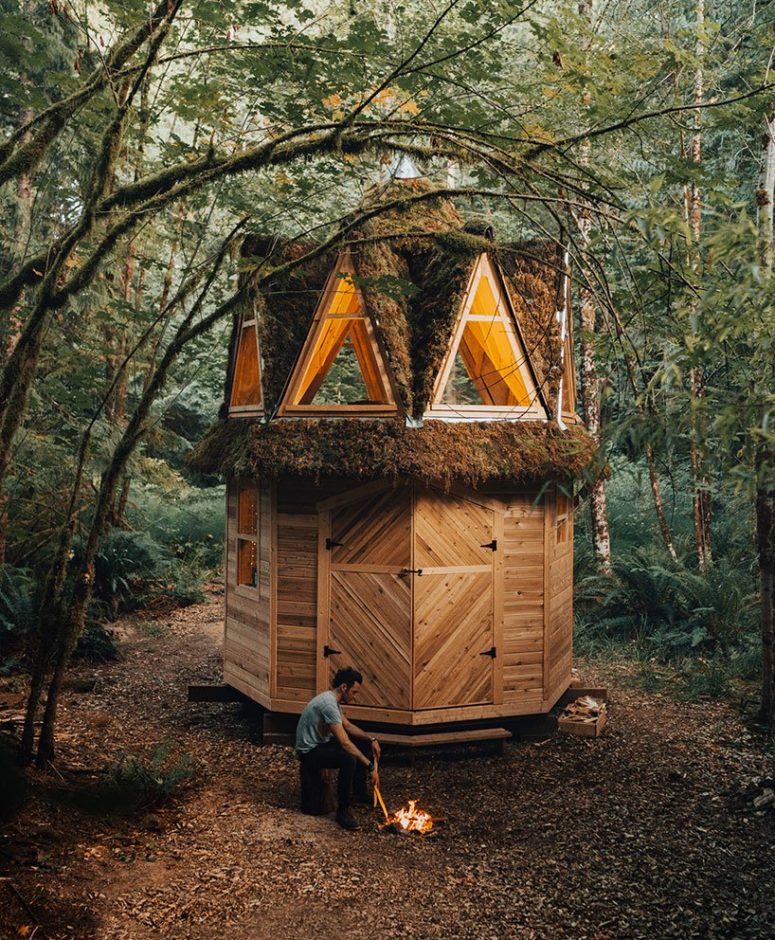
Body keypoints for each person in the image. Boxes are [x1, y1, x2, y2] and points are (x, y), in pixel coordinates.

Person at [295, 667, 381, 830]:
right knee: (348, 759)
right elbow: (344, 742)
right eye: (354, 692)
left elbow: (347, 726)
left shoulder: (332, 699)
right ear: (344, 687)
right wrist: (369, 766)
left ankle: (359, 792)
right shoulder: (328, 704)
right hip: (309, 752)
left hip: (320, 743)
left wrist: (372, 739)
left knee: (361, 743)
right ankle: (343, 811)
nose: (354, 697)